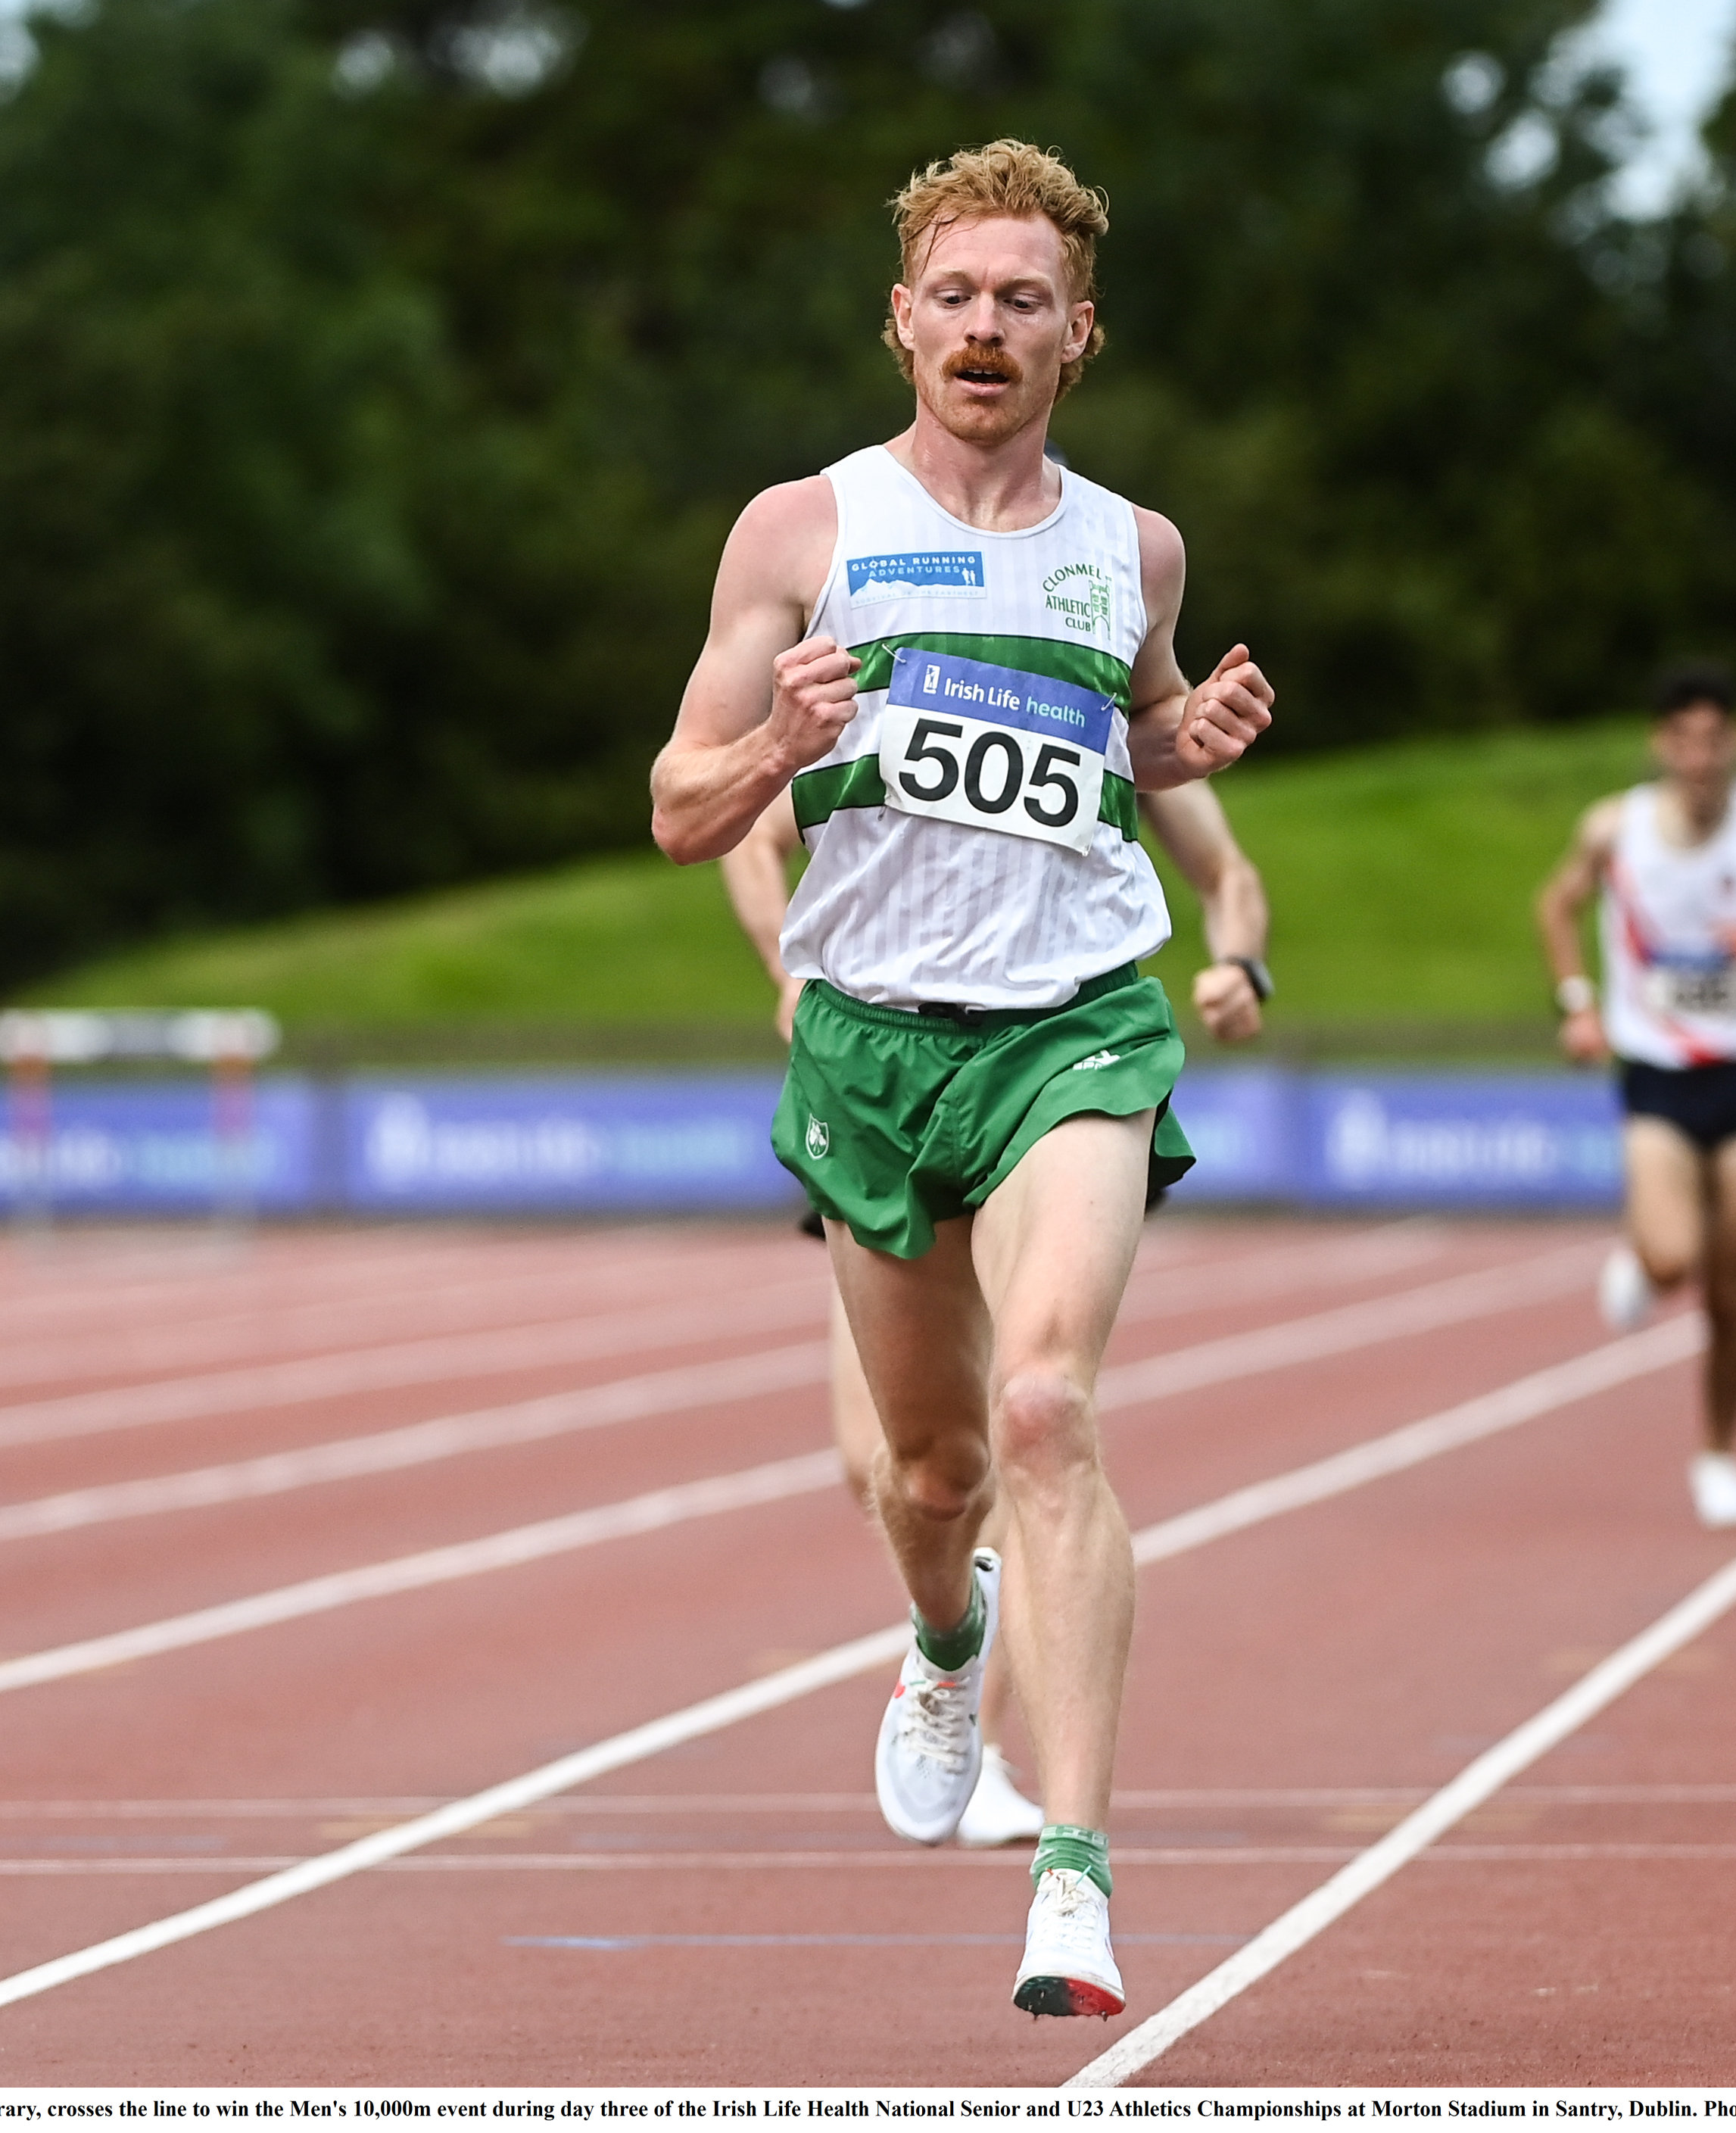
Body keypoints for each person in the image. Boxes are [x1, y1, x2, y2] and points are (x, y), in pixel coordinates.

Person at [647, 140, 1274, 2020]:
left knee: (1050, 1408)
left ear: (1078, 335)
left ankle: (1073, 1878)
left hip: (1071, 1020)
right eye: (952, 294)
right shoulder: (798, 531)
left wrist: (1193, 739)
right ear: (898, 322)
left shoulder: (1131, 544)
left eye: (1021, 298)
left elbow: (1136, 724)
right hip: (871, 1040)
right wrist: (776, 738)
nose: (982, 324)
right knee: (926, 1471)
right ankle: (945, 1643)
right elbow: (676, 808)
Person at [719, 778, 1273, 1849]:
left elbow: (1230, 874)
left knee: (1033, 1419)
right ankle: (949, 1639)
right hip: (883, 1078)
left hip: (1042, 1077)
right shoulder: (894, 673)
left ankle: (980, 1747)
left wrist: (1240, 964)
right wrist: (782, 967)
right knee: (901, 1465)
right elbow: (750, 828)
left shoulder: (1117, 704)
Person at [1535, 666, 1736, 1530]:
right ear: (1661, 744)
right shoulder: (1615, 828)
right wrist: (1578, 1005)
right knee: (1675, 1259)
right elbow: (1555, 907)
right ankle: (1642, 1259)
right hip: (1657, 1071)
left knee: (1729, 1287)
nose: (1701, 756)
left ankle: (1718, 1454)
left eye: (1717, 740)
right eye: (1685, 739)